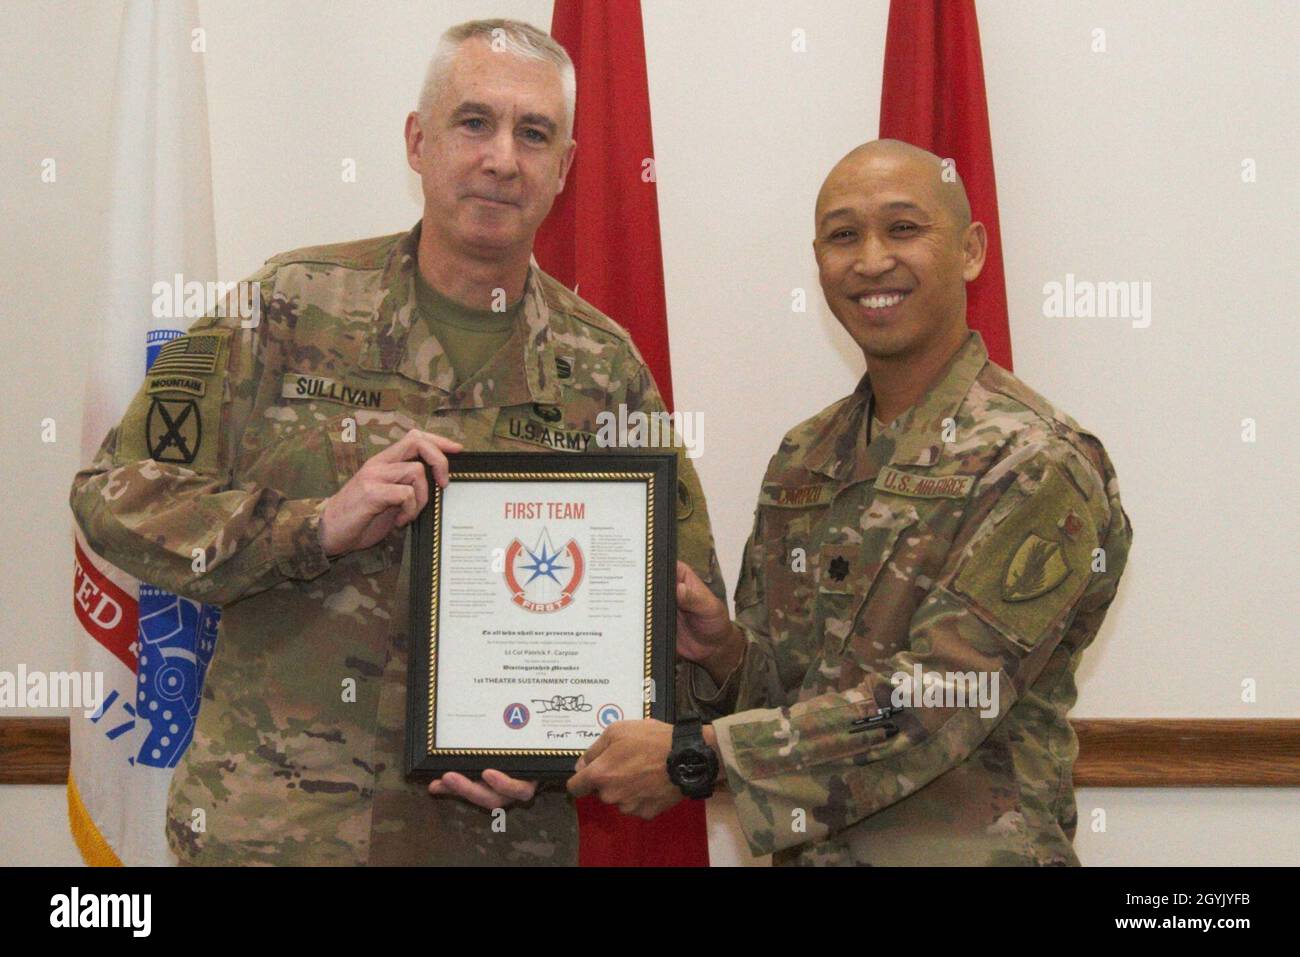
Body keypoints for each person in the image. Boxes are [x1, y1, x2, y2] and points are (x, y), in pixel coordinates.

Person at [69, 18, 724, 866]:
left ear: (564, 167)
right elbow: (111, 493)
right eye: (474, 122)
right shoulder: (288, 306)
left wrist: (559, 757)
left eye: (534, 134)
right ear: (419, 141)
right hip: (276, 836)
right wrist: (310, 526)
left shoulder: (604, 369)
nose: (501, 158)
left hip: (495, 842)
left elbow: (675, 616)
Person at [569, 139, 1132, 866]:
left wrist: (698, 757)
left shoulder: (1034, 461)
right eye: (843, 235)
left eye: (903, 228)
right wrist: (726, 655)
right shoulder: (807, 457)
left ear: (969, 251)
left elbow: (941, 702)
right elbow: (797, 690)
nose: (870, 261)